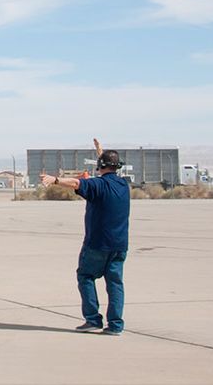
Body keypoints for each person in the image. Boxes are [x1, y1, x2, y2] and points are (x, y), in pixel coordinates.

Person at [41, 137, 130, 336]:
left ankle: (92, 320)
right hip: (120, 245)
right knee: (115, 283)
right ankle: (115, 325)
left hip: (97, 244)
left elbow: (74, 182)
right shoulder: (123, 185)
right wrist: (101, 152)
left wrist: (54, 180)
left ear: (100, 167)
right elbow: (110, 169)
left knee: (85, 276)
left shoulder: (96, 186)